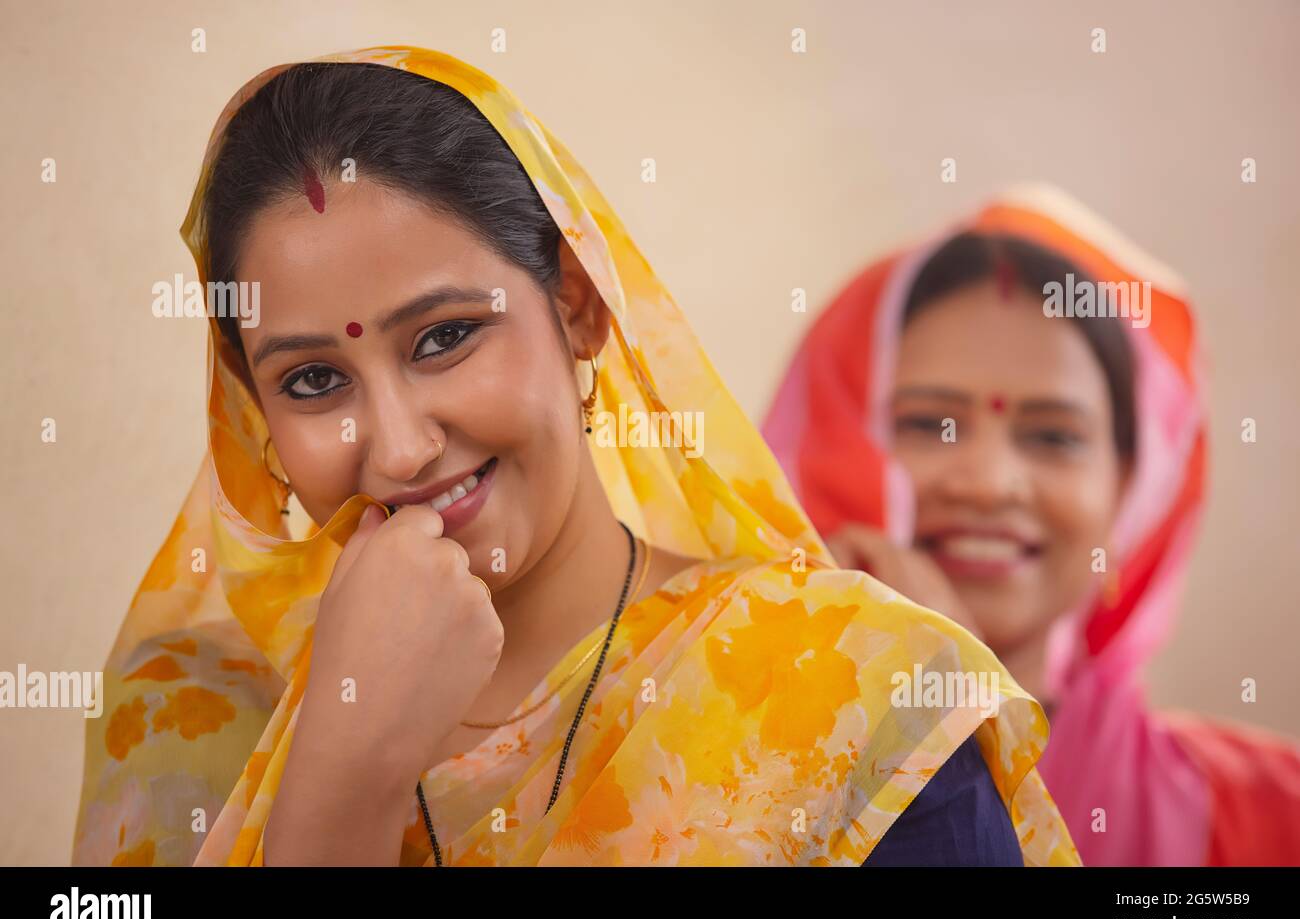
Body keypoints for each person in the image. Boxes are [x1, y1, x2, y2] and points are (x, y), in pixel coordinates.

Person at [70, 49, 1079, 867]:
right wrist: (342, 780)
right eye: (313, 383)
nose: (402, 446)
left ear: (579, 306)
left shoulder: (856, 701)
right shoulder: (197, 719)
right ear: (258, 419)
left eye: (443, 338)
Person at [762, 185, 1300, 866]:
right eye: (931, 423)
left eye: (1053, 436)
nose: (989, 482)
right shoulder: (714, 803)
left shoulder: (1274, 820)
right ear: (831, 453)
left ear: (1132, 491)